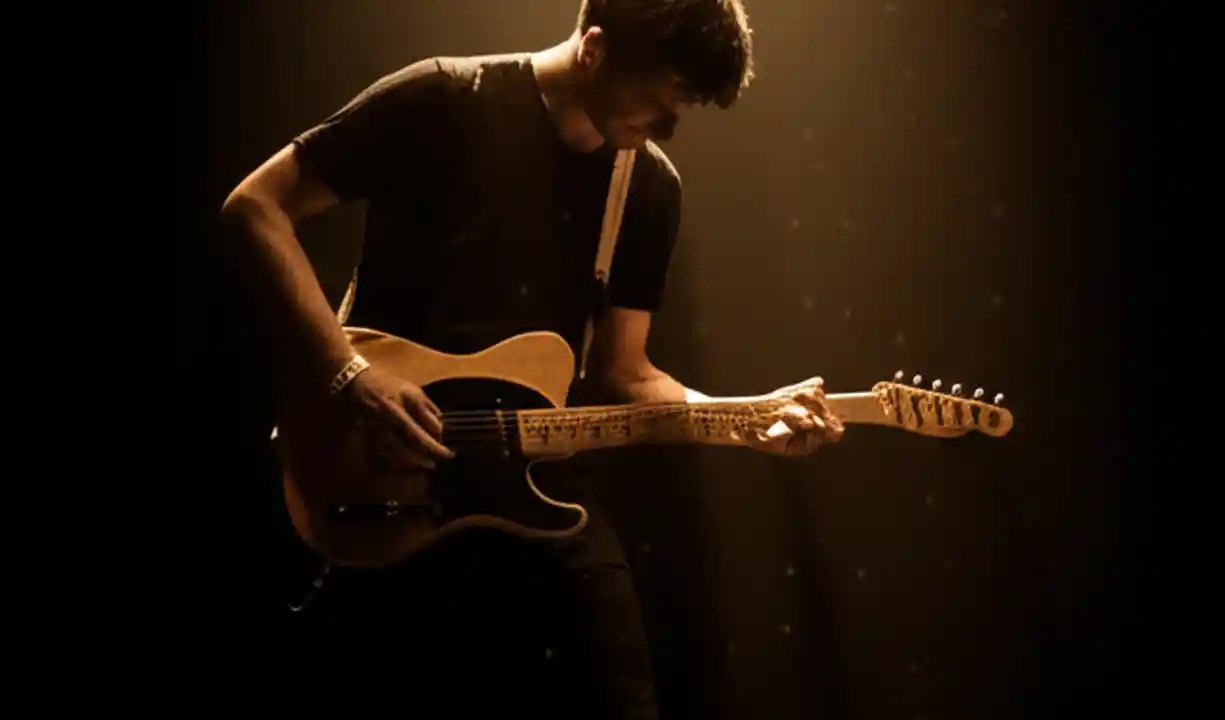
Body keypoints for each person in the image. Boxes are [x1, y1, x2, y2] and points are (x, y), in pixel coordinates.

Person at [218, 1, 844, 717]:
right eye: (659, 99)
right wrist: (349, 373)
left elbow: (628, 375)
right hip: (380, 476)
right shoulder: (442, 98)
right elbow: (255, 208)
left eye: (686, 108)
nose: (670, 128)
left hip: (534, 495)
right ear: (596, 50)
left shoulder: (645, 187)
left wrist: (748, 419)